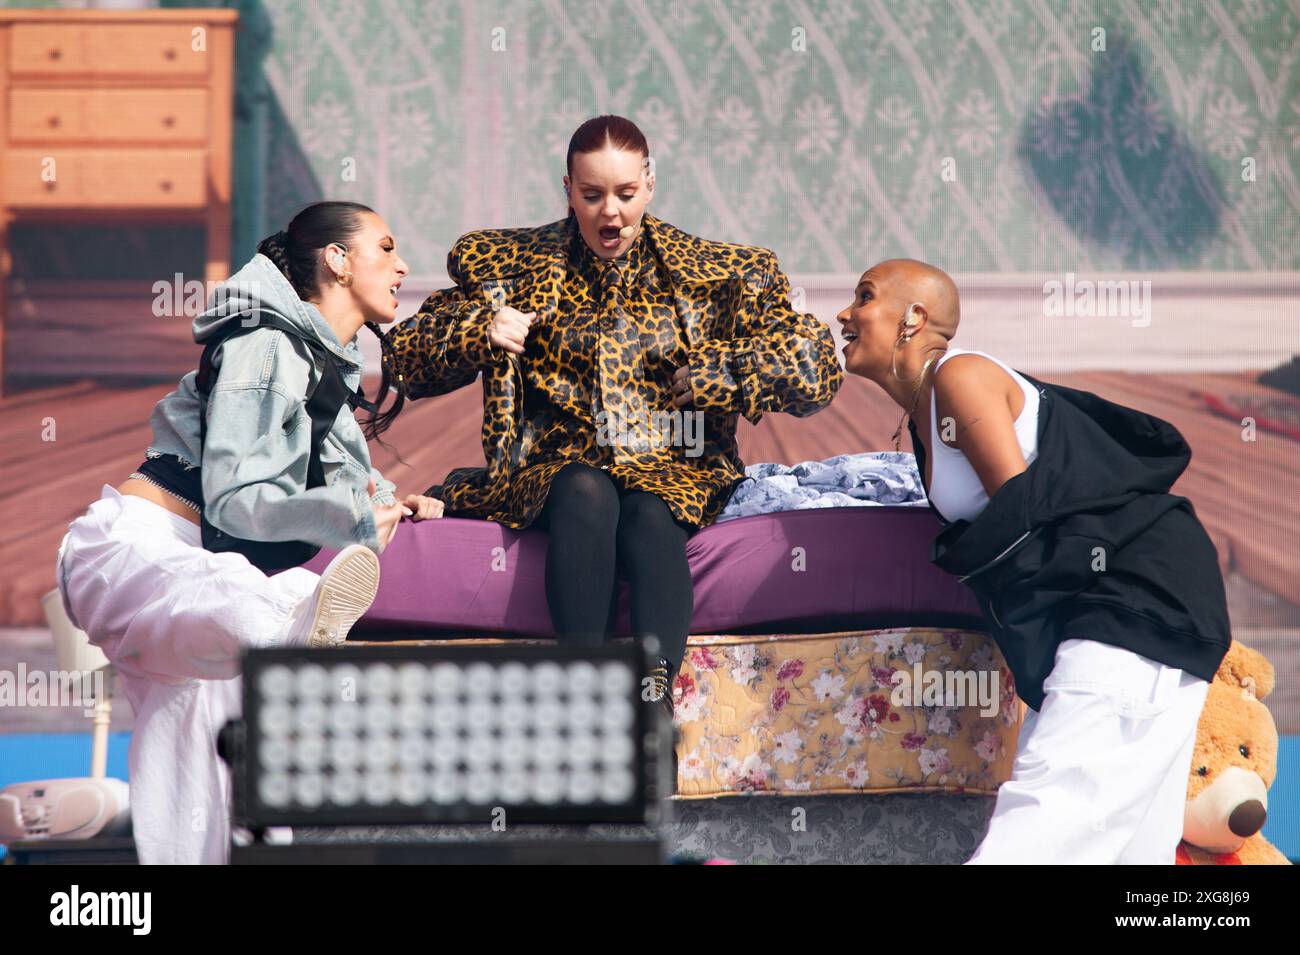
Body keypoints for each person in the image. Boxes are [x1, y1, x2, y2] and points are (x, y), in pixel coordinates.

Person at [384, 115, 843, 710]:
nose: (611, 213)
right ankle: (584, 705)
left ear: (649, 185)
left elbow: (815, 368)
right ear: (567, 189)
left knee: (651, 520)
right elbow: (404, 359)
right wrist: (479, 330)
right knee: (585, 493)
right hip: (554, 465)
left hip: (676, 462)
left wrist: (723, 372)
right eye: (592, 194)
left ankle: (652, 711)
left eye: (626, 194)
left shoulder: (719, 273)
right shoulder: (508, 266)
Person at [54, 201, 444, 864]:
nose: (404, 265)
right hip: (130, 552)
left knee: (212, 775)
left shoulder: (324, 368)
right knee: (254, 593)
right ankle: (293, 635)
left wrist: (391, 504)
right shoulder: (264, 341)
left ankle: (290, 639)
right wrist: (349, 521)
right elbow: (236, 499)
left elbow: (340, 476)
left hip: (189, 586)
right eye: (385, 247)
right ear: (338, 261)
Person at [837, 257, 1231, 863]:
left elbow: (1022, 512)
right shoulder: (926, 413)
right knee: (1133, 856)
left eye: (863, 296)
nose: (844, 313)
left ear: (913, 318)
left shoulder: (959, 376)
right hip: (1148, 606)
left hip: (1130, 605)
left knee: (1039, 831)